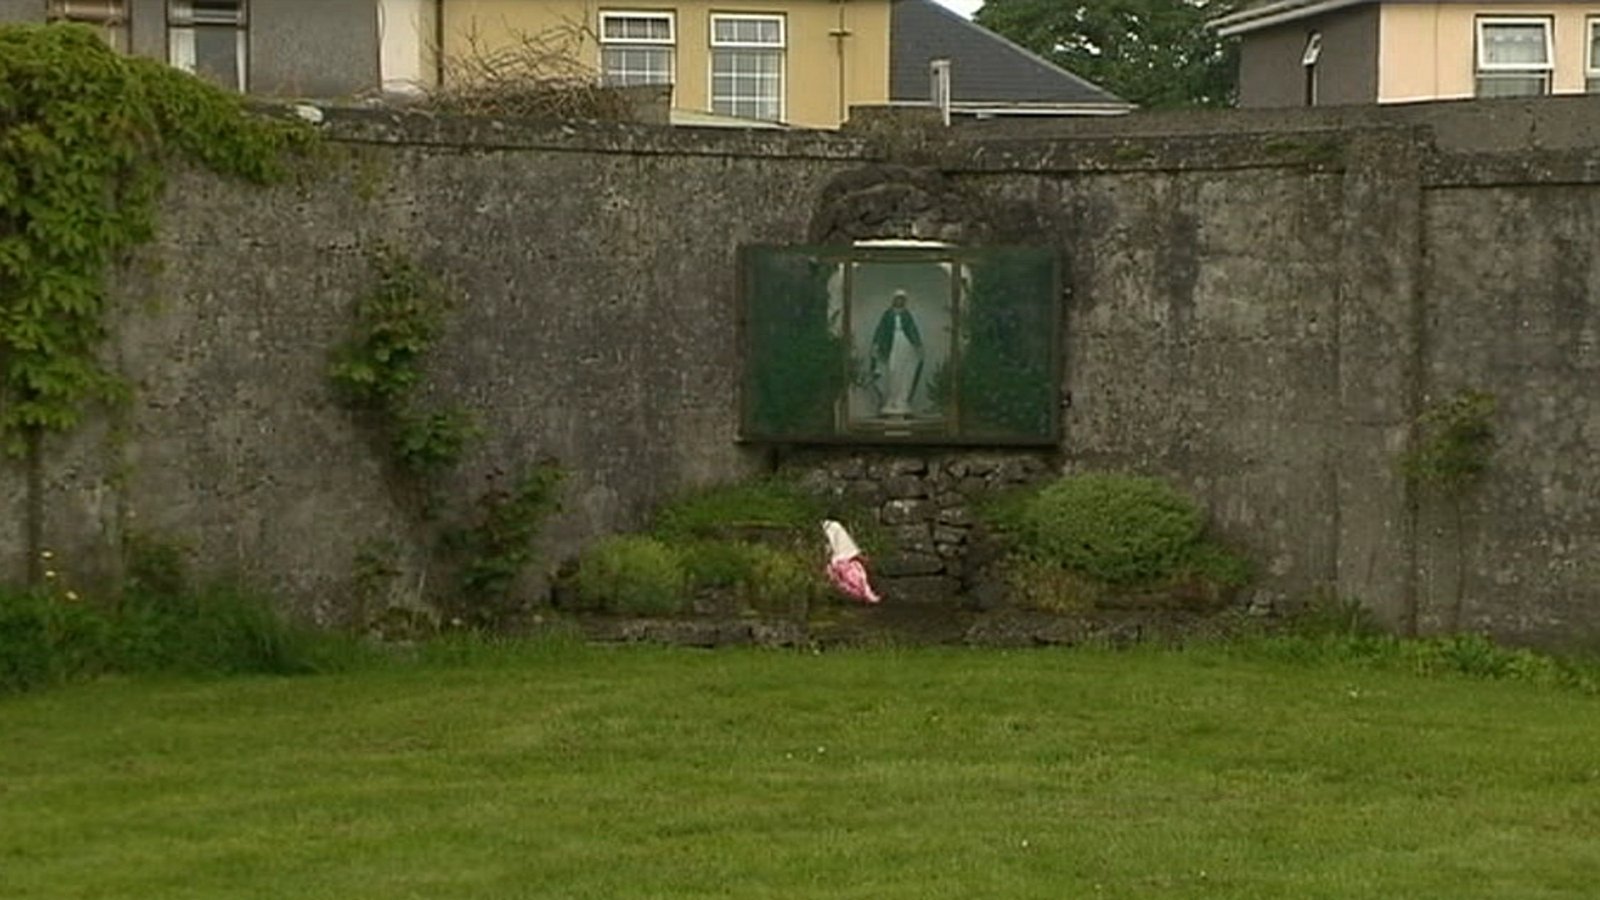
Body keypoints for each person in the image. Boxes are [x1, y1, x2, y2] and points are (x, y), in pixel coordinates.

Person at [871, 289, 924, 417]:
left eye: (902, 299)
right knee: (892, 370)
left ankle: (902, 400)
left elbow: (912, 330)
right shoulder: (888, 314)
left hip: (904, 343)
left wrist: (918, 345)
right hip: (891, 343)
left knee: (903, 371)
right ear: (894, 300)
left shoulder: (907, 315)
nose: (899, 301)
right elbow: (881, 329)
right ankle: (891, 399)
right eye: (897, 299)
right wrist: (876, 343)